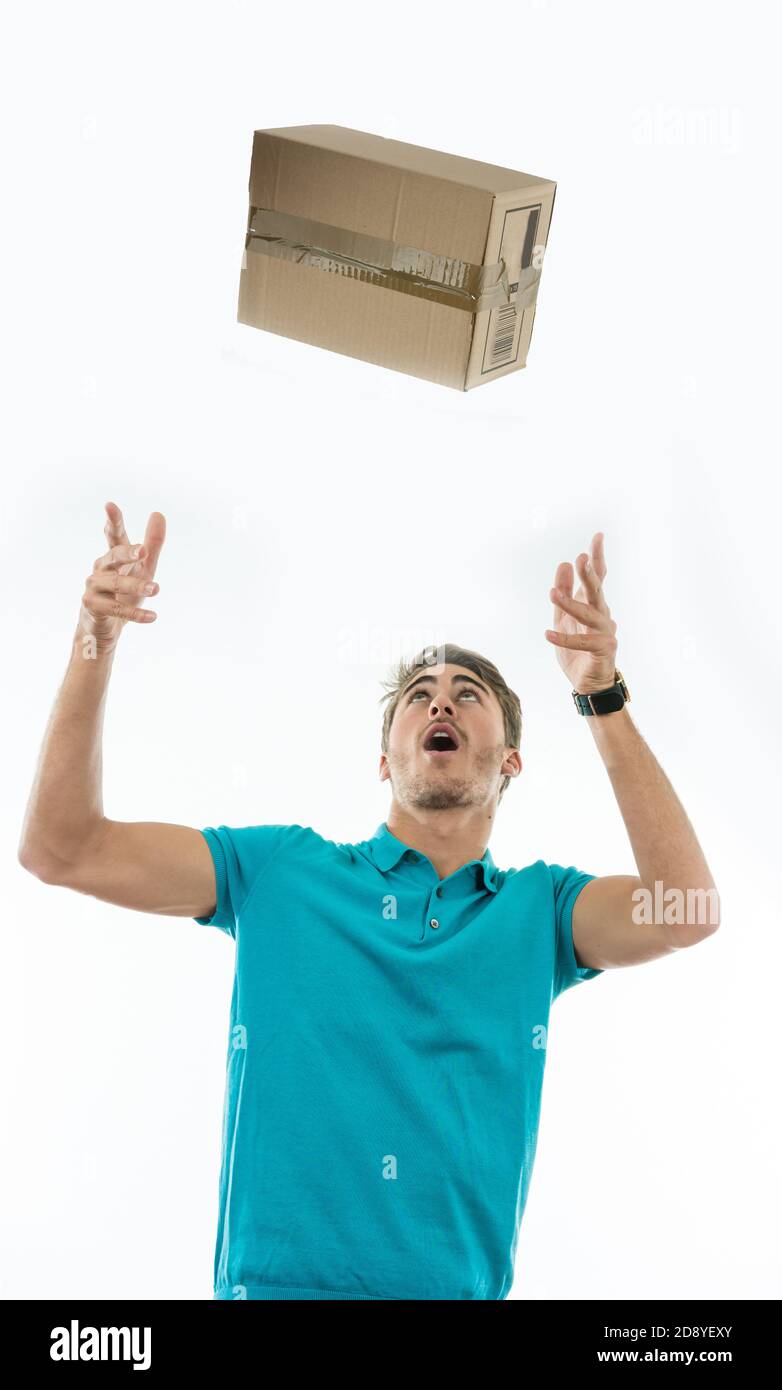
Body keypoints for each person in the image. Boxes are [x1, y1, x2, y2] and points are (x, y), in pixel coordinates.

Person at [18, 501, 720, 1302]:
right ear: (385, 760)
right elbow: (60, 847)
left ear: (511, 762)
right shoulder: (279, 871)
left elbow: (688, 912)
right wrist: (95, 641)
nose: (440, 703)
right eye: (419, 695)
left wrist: (601, 695)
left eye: (467, 694)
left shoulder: (542, 912)